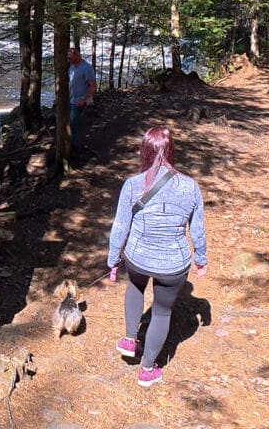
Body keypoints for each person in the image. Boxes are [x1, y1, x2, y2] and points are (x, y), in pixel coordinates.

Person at [107, 125, 207, 388]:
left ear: (145, 151)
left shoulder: (132, 185)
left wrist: (113, 260)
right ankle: (147, 370)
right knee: (162, 313)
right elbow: (197, 229)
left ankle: (130, 339)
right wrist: (201, 259)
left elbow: (120, 226)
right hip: (173, 264)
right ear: (171, 151)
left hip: (138, 258)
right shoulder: (190, 186)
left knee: (135, 285)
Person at [67, 45, 96, 149]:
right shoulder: (72, 66)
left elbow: (93, 86)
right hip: (70, 99)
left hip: (79, 101)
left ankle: (75, 147)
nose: (68, 60)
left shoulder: (86, 68)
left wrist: (84, 100)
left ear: (76, 56)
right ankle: (71, 145)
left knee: (73, 124)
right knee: (70, 124)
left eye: (69, 58)